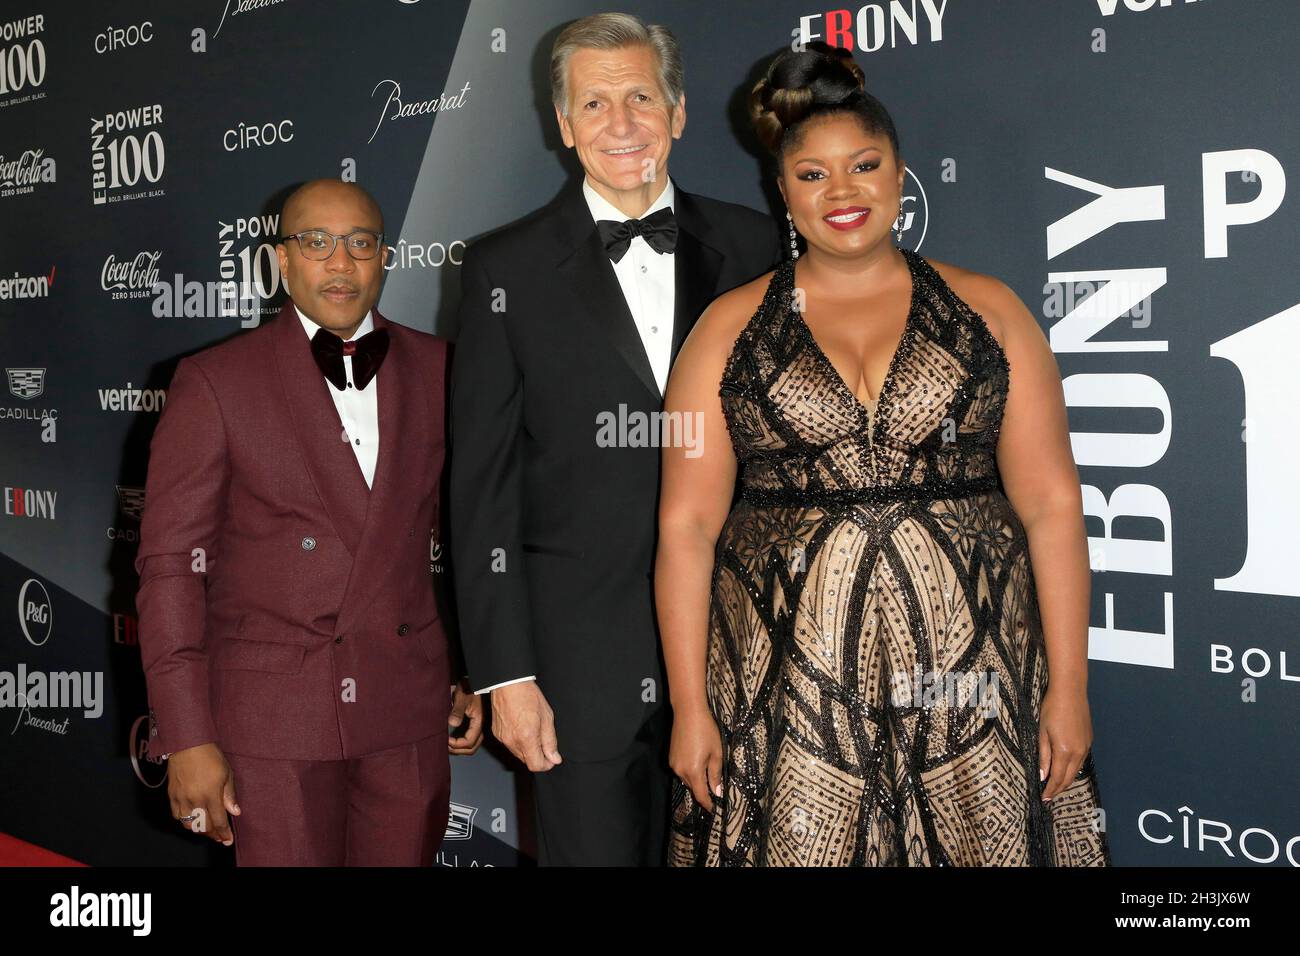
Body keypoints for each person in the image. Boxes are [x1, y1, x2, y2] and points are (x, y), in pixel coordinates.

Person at [657, 42, 1112, 866]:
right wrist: (691, 706)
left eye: (864, 165)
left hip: (974, 678)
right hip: (785, 686)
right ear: (781, 190)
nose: (842, 192)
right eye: (813, 174)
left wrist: (1070, 687)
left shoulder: (992, 310)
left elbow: (1051, 503)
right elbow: (686, 526)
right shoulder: (723, 331)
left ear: (902, 174)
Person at [449, 12, 781, 866]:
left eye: (641, 97)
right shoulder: (502, 271)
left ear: (677, 110)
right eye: (594, 104)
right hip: (575, 663)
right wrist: (506, 674)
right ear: (563, 125)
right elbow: (480, 487)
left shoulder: (755, 246)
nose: (622, 125)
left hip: (742, 644)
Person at [135, 179, 483, 866]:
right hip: (271, 725)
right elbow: (171, 569)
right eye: (315, 243)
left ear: (384, 257)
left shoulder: (445, 370)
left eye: (359, 243)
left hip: (405, 712)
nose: (340, 262)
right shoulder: (215, 382)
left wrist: (479, 668)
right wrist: (186, 733)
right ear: (281, 261)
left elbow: (473, 535)